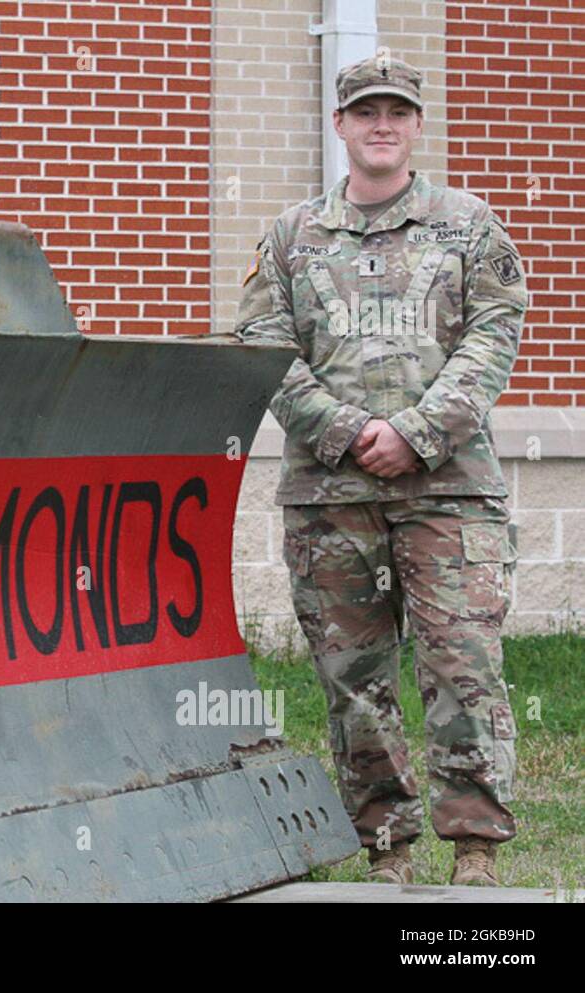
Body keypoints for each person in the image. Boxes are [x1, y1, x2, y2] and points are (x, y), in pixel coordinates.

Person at [234, 55, 526, 886]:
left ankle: (474, 847)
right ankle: (387, 847)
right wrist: (348, 429)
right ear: (341, 127)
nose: (382, 124)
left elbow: (494, 333)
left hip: (449, 488)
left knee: (461, 665)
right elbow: (262, 344)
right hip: (331, 495)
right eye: (366, 112)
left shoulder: (469, 227)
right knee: (353, 677)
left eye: (398, 110)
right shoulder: (292, 237)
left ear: (418, 125)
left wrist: (417, 432)